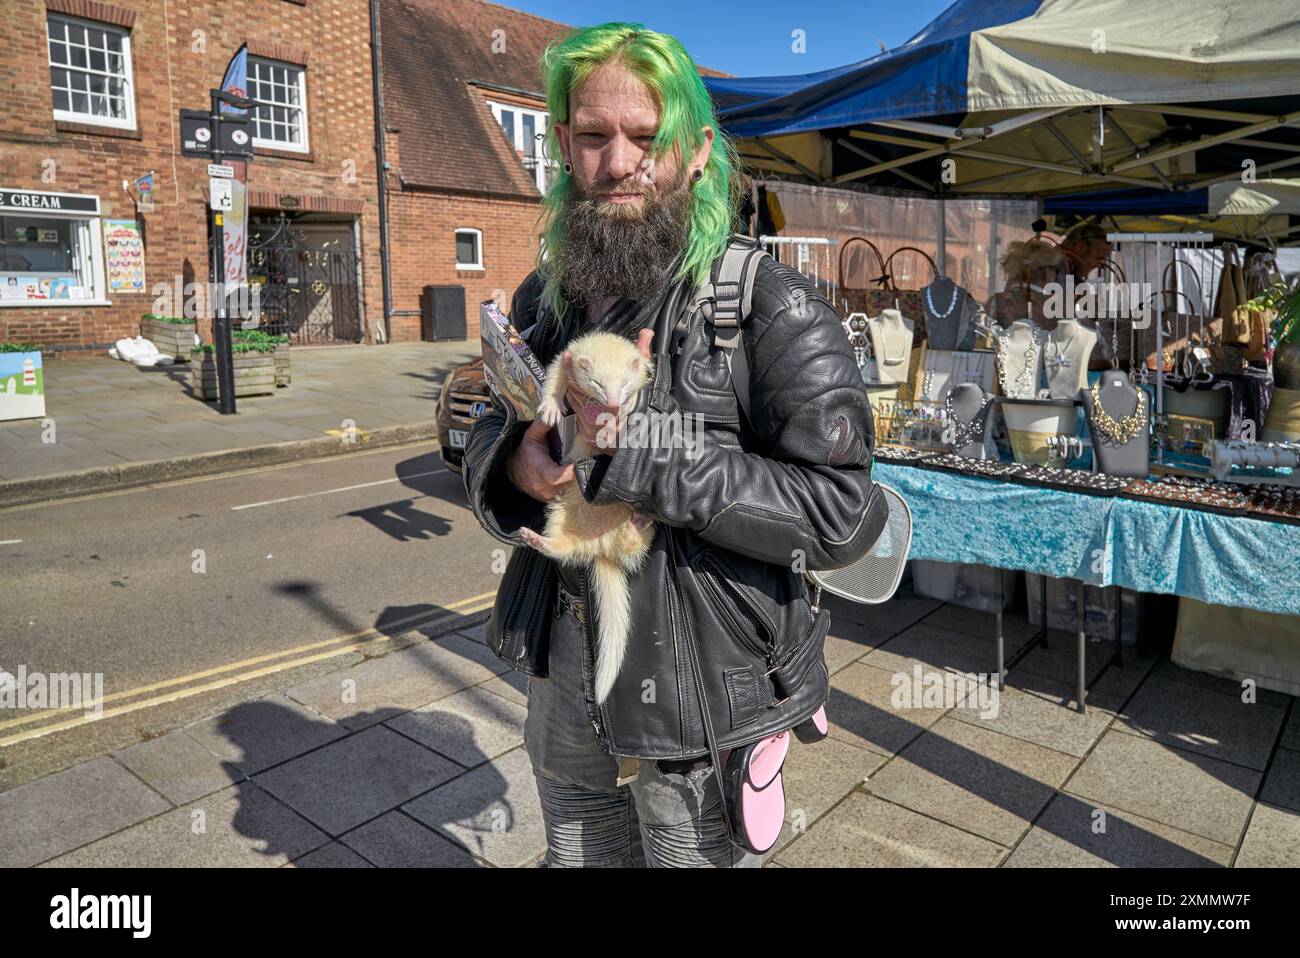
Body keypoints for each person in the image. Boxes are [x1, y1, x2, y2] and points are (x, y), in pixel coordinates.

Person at [462, 22, 883, 868]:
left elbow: (843, 513)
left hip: (705, 691)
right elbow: (493, 427)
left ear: (696, 152)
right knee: (580, 851)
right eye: (592, 137)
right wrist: (514, 462)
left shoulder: (772, 304)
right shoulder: (548, 294)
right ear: (563, 146)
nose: (617, 165)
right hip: (565, 656)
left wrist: (636, 454)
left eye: (647, 140)